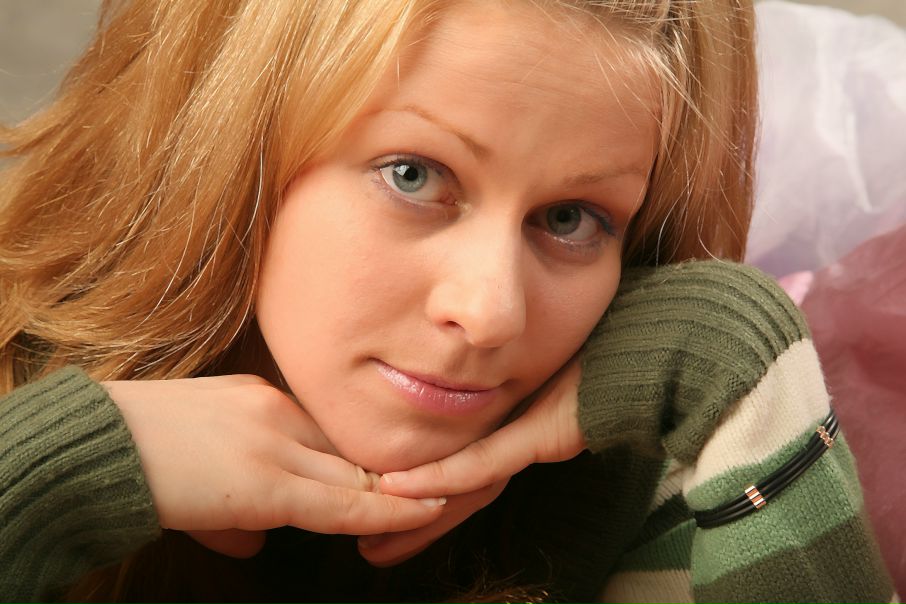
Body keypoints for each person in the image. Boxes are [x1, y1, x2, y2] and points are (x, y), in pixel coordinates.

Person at [0, 0, 894, 602]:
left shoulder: (636, 466)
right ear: (231, 145)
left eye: (571, 219)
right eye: (414, 174)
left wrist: (730, 349)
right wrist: (43, 479)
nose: (491, 310)